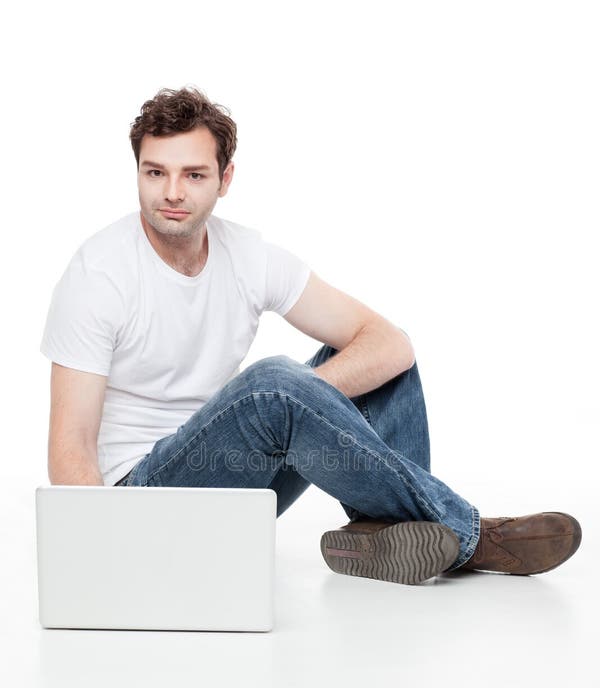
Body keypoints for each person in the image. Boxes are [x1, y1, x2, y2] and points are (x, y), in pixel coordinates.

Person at [40, 86, 582, 585]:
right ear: (137, 171)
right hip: (142, 502)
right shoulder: (99, 275)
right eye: (155, 173)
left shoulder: (249, 256)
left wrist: (305, 403)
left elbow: (390, 343)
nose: (172, 192)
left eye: (194, 175)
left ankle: (383, 531)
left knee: (374, 364)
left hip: (234, 490)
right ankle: (469, 536)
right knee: (276, 385)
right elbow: (70, 451)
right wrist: (109, 557)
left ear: (225, 179)